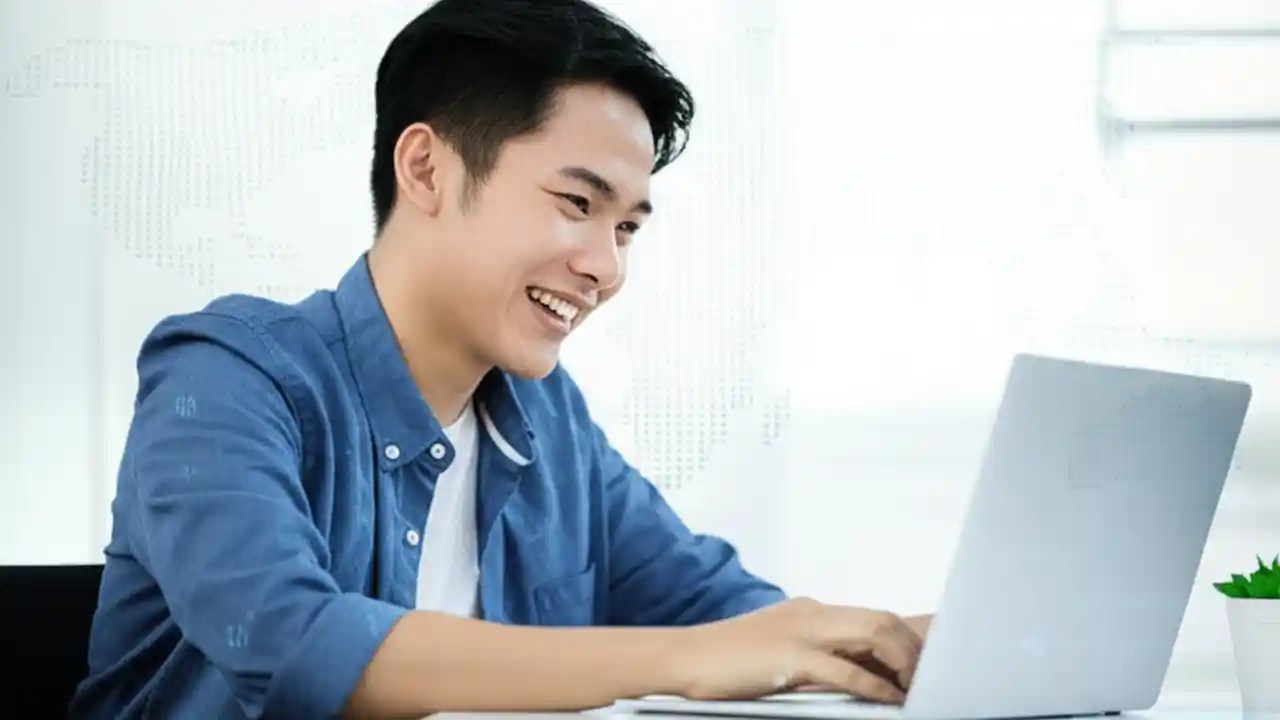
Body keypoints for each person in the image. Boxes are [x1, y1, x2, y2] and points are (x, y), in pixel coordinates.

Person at [70, 1, 933, 717]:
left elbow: (730, 621)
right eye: (575, 203)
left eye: (627, 227)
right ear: (426, 169)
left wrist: (903, 649)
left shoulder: (549, 422)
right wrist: (689, 659)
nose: (606, 267)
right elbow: (290, 637)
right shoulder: (225, 374)